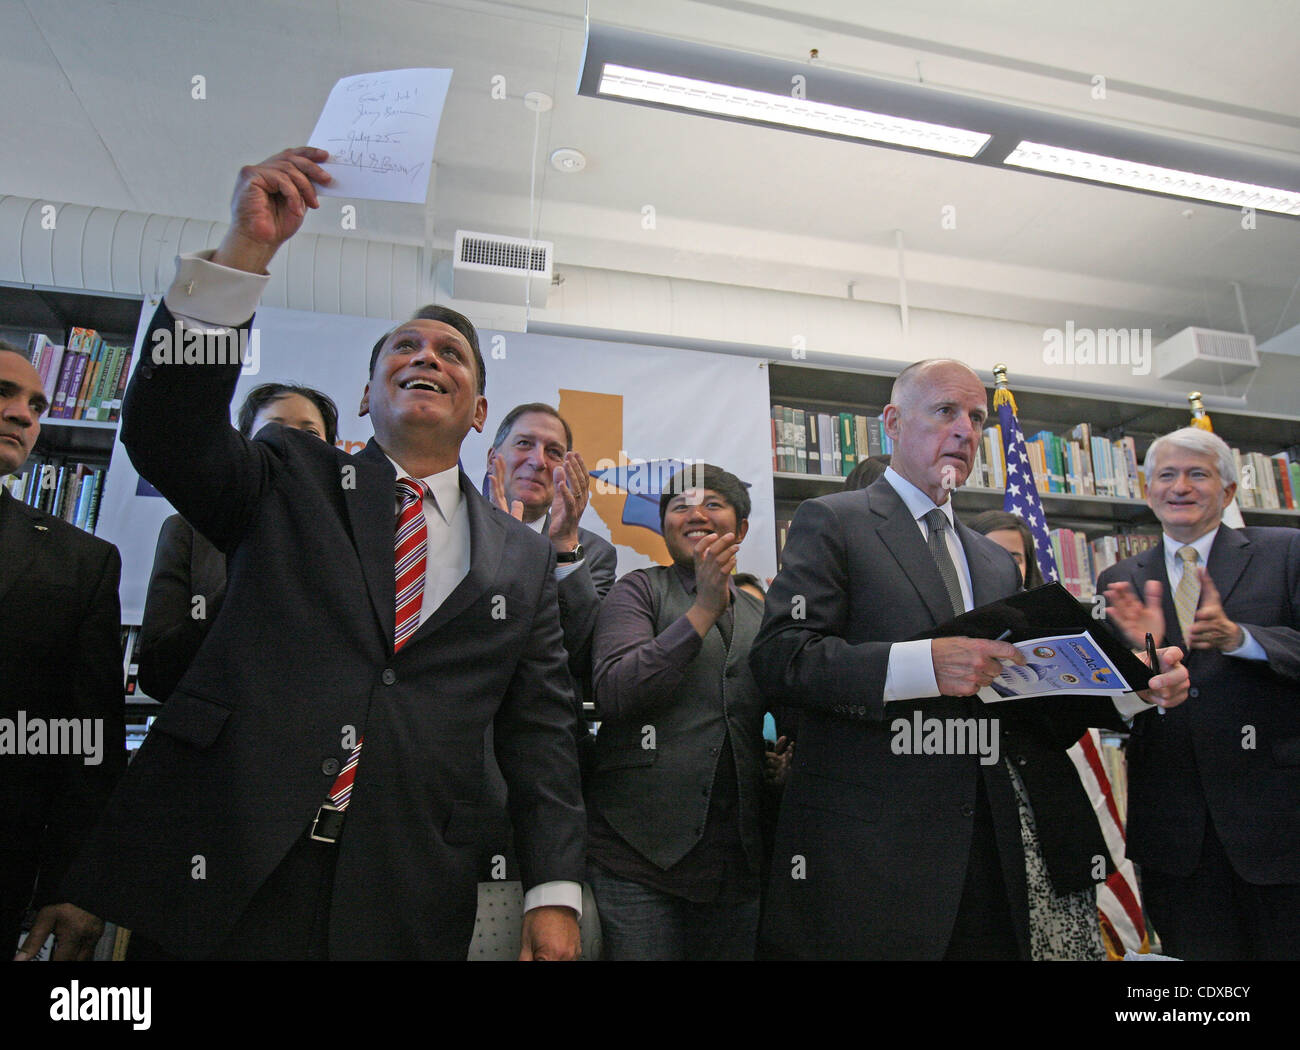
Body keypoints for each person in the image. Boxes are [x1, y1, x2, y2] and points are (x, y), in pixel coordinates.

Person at [60, 146, 585, 961]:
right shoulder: (289, 473)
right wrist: (243, 255)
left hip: (403, 886)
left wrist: (554, 891)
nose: (426, 357)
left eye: (450, 354)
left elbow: (540, 732)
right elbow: (168, 431)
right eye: (404, 348)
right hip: (223, 859)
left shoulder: (522, 558)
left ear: (480, 410)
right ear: (368, 394)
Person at [749, 358, 1189, 960]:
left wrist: (1130, 690)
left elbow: (1025, 703)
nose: (965, 429)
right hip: (872, 850)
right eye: (945, 411)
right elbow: (782, 657)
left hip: (991, 843)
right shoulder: (833, 521)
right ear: (893, 422)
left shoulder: (994, 560)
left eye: (977, 418)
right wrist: (922, 665)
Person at [1098, 426, 1300, 960]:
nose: (1180, 486)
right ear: (1148, 491)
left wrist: (1242, 639)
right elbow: (1112, 701)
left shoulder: (1286, 551)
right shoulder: (1119, 578)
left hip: (1278, 825)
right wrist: (1140, 675)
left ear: (1228, 491)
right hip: (1174, 831)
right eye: (1166, 475)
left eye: (1197, 474)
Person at [585, 464, 770, 959]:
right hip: (637, 862)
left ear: (741, 529)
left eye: (713, 504)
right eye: (680, 506)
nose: (696, 514)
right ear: (664, 525)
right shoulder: (637, 590)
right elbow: (616, 692)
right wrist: (703, 610)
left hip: (736, 865)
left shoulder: (763, 614)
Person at [0, 343, 126, 961]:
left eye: (37, 405)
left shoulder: (79, 562)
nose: (23, 414)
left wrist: (74, 883)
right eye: (4, 393)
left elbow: (88, 740)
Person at [138, 382, 338, 702]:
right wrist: (248, 574)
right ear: (243, 446)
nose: (293, 444)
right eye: (275, 429)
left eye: (310, 433)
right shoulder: (187, 531)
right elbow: (157, 673)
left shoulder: (347, 538)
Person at [969, 508, 1109, 960]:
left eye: (1015, 557)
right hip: (979, 824)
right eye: (991, 554)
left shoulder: (1053, 625)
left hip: (1051, 820)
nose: (1004, 566)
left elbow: (1066, 730)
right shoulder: (953, 636)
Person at [486, 403, 618, 748]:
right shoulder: (453, 525)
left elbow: (582, 655)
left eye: (554, 453)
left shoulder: (594, 553)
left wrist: (564, 545)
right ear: (492, 458)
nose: (538, 461)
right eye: (524, 444)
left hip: (547, 737)